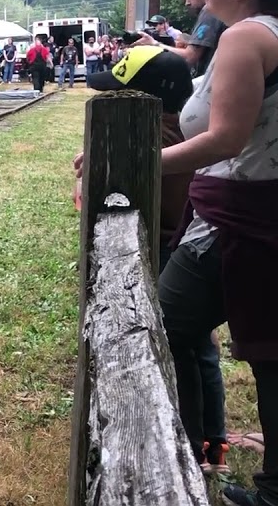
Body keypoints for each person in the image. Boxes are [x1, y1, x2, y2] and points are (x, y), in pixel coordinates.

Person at [142, 0, 278, 506]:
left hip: (238, 217)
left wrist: (139, 166)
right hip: (256, 210)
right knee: (273, 351)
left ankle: (186, 457)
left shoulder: (246, 37)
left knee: (159, 328)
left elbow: (225, 138)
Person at [81, 46, 219, 470]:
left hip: (162, 247)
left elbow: (95, 189)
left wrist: (99, 162)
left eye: (120, 94)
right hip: (179, 244)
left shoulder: (154, 136)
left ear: (145, 100)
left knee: (172, 345)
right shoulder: (187, 131)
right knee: (200, 349)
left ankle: (190, 443)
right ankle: (213, 442)